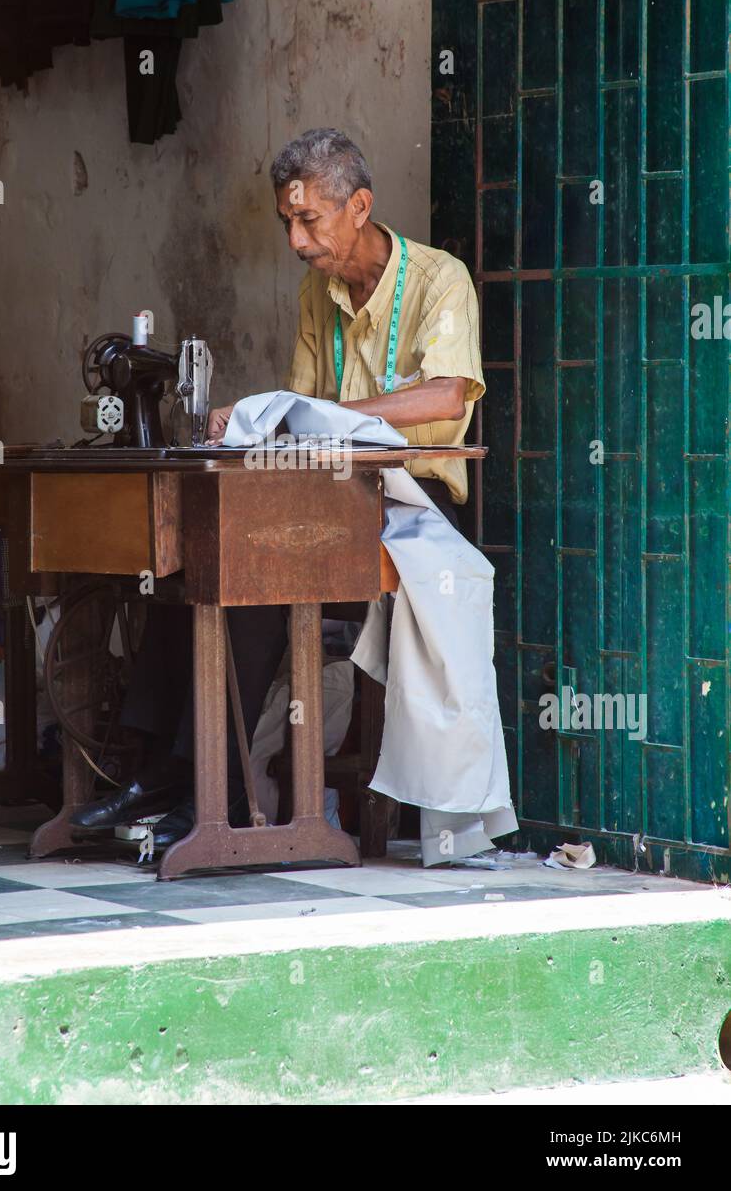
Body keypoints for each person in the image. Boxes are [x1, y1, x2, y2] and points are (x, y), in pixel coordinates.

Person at [70, 128, 485, 849]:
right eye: (286, 222)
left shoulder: (439, 280)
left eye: (308, 220)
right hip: (336, 497)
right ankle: (162, 771)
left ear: (359, 206)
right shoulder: (315, 292)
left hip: (414, 506)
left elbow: (447, 396)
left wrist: (330, 418)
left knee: (256, 575)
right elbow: (299, 411)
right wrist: (251, 421)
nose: (295, 240)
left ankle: (215, 791)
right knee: (192, 557)